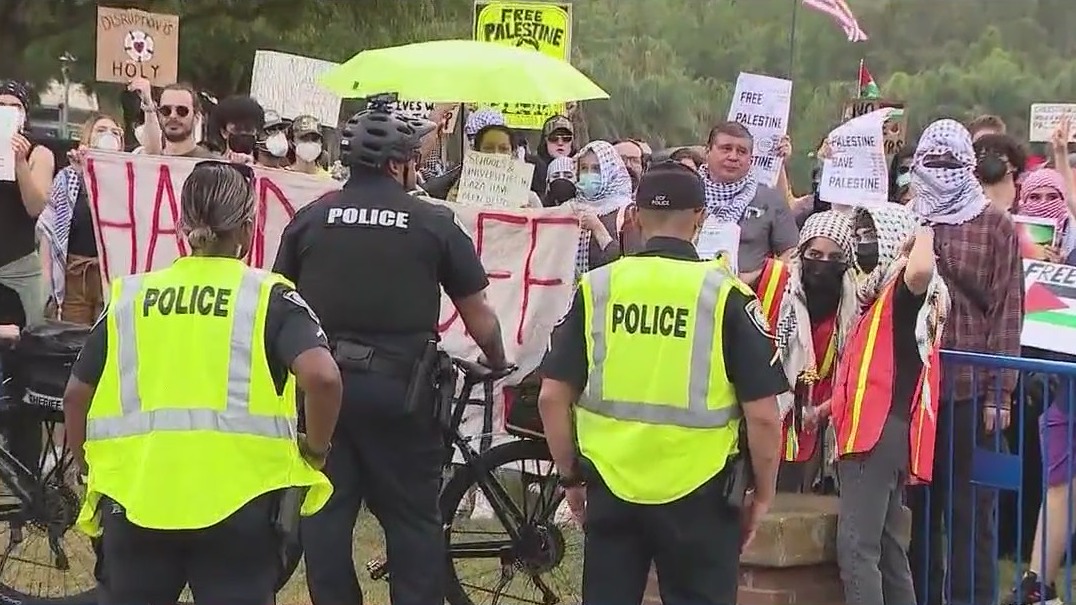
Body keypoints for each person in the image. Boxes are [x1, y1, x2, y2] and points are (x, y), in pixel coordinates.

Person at [62, 161, 341, 605]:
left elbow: (77, 395)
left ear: (181, 226)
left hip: (137, 500)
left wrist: (85, 464)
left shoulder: (131, 296)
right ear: (248, 230)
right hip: (240, 508)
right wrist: (317, 450)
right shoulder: (269, 296)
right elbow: (323, 377)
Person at [272, 100, 510, 605]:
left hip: (325, 392)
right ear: (399, 163)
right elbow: (479, 316)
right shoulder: (432, 222)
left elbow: (279, 304)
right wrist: (496, 357)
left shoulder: (310, 220)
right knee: (413, 522)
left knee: (327, 518)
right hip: (404, 395)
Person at [538, 160, 787, 605]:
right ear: (701, 218)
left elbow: (552, 397)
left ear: (633, 214)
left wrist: (571, 478)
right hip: (701, 494)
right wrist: (763, 495)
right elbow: (765, 417)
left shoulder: (597, 288)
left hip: (612, 487)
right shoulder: (725, 295)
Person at [909, 119, 1024, 605]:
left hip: (971, 393)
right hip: (914, 393)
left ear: (969, 167)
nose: (939, 172)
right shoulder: (910, 216)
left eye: (950, 163)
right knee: (915, 513)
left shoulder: (996, 225)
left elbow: (1007, 312)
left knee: (971, 515)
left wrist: (1000, 393)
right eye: (930, 162)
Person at [825, 203, 950, 605]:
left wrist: (924, 232)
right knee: (890, 549)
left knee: (858, 548)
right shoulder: (880, 298)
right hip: (887, 432)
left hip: (875, 434)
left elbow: (919, 270)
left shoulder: (904, 291)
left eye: (872, 234)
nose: (864, 243)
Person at [770, 211, 859, 493]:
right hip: (780, 410)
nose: (822, 265)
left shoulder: (855, 306)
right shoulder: (779, 291)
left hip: (830, 415)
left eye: (835, 258)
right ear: (802, 252)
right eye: (815, 254)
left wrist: (825, 409)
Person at [38, 113, 123, 324]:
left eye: (115, 132)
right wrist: (46, 282)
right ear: (87, 139)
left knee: (107, 340)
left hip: (112, 275)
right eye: (101, 130)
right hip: (75, 275)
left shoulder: (127, 180)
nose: (108, 135)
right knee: (73, 339)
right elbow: (50, 230)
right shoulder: (67, 177)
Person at [699, 121, 799, 284]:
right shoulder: (686, 193)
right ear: (707, 151)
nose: (733, 157)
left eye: (741, 151)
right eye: (726, 148)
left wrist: (761, 278)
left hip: (750, 299)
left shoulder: (770, 199)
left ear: (750, 159)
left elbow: (790, 254)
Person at [0, 79, 52, 328]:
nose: (7, 111)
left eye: (15, 106)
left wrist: (20, 163)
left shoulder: (39, 153)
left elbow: (35, 207)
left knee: (30, 342)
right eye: (1, 105)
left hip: (19, 266)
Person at [572, 140, 634, 276]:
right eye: (583, 168)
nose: (588, 174)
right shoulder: (572, 208)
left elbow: (629, 265)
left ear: (610, 171)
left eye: (596, 169)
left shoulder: (627, 212)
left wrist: (598, 229)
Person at [138, 81, 219, 158]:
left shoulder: (212, 166)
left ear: (196, 117)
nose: (173, 116)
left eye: (182, 111)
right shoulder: (148, 164)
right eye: (166, 110)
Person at [209, 95, 266, 163]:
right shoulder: (212, 166)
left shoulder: (266, 170)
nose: (243, 133)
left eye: (249, 129)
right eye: (237, 129)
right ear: (223, 132)